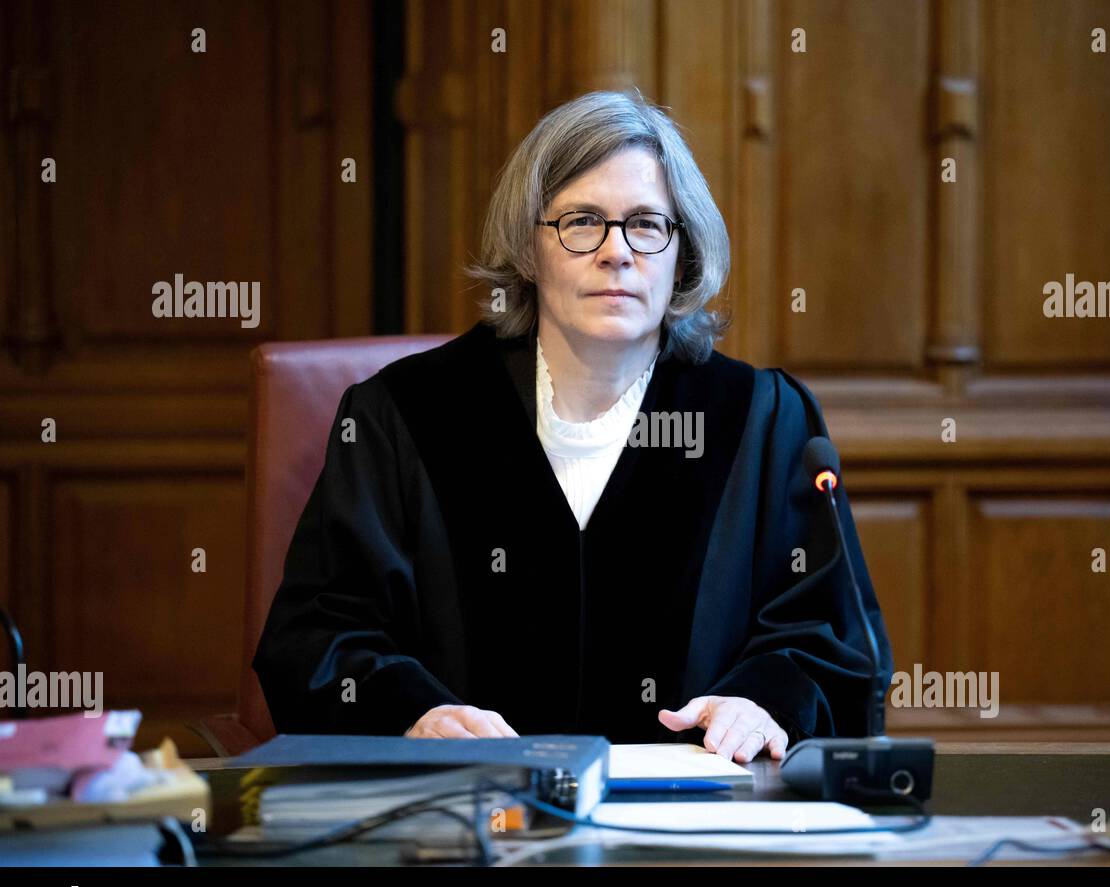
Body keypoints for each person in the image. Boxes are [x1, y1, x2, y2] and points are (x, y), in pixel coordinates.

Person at [253, 89, 891, 764]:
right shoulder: (405, 416)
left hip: (693, 831)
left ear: (684, 255)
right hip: (465, 828)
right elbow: (317, 635)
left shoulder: (763, 422)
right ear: (530, 249)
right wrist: (414, 711)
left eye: (647, 224)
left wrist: (763, 700)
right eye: (582, 222)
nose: (616, 253)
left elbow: (828, 636)